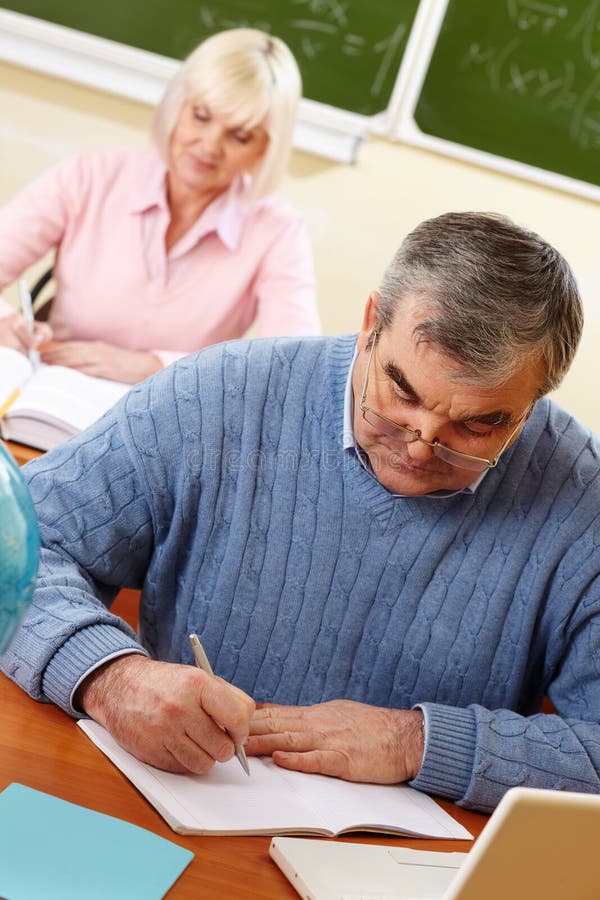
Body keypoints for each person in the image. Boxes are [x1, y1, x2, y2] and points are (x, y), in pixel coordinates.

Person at [3, 211, 599, 815]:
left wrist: (416, 743)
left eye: (478, 424)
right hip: (176, 804)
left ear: (533, 404)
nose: (420, 446)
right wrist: (110, 676)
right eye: (401, 392)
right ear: (370, 324)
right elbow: (12, 546)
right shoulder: (219, 395)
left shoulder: (584, 499)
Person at [0, 28, 320, 383]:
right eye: (200, 115)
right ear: (177, 106)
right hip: (48, 400)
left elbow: (293, 366)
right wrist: (5, 324)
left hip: (175, 423)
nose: (210, 145)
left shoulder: (278, 231)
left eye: (239, 136)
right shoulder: (89, 177)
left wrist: (153, 366)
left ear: (264, 150)